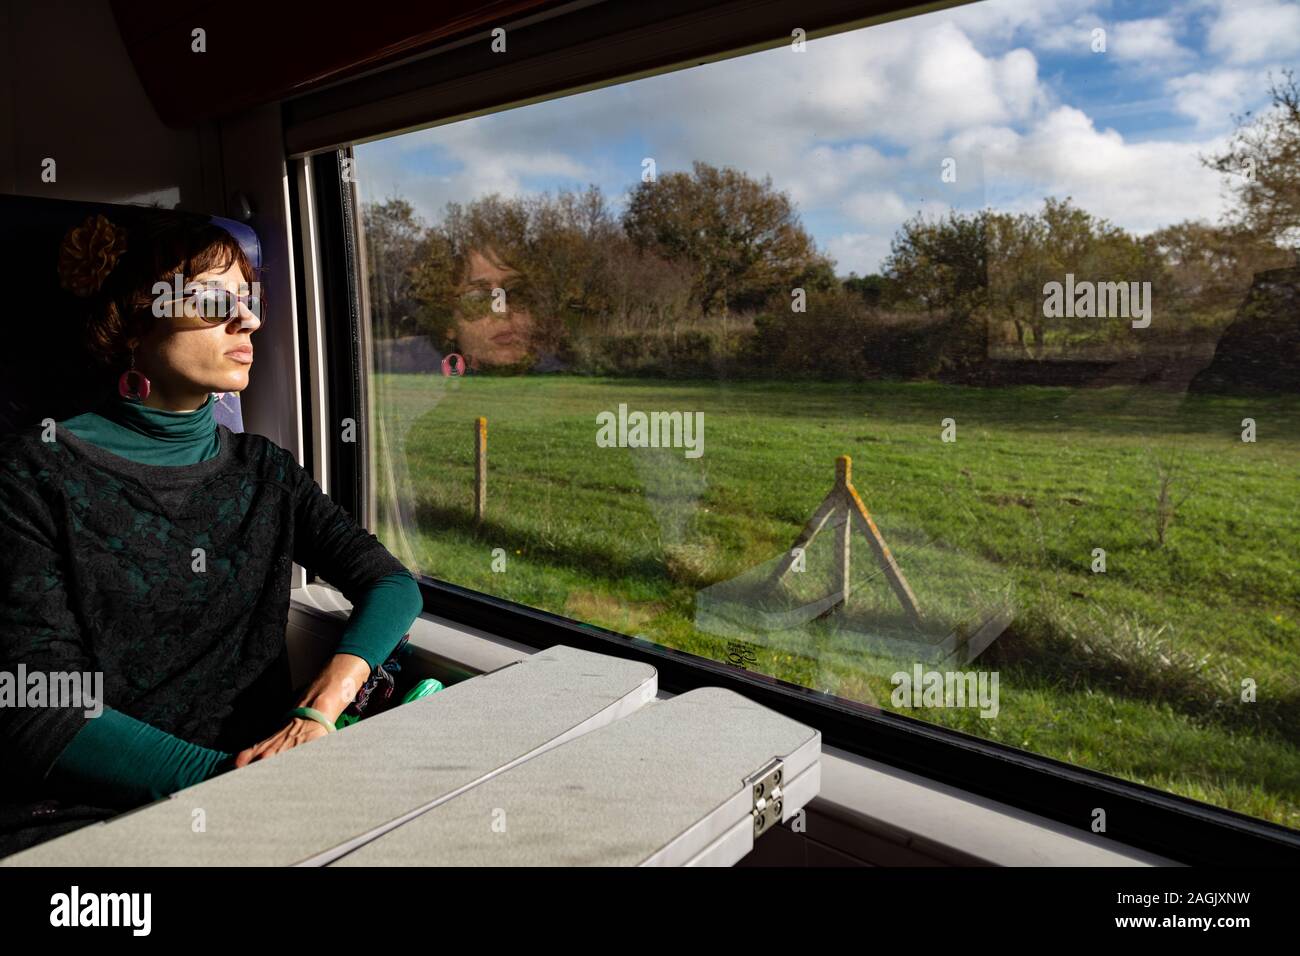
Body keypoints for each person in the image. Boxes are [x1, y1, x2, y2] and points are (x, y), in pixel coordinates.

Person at [0, 211, 424, 858]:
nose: (248, 321)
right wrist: (229, 781)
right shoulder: (33, 473)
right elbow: (41, 711)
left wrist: (323, 704)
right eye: (210, 300)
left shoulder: (267, 471)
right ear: (133, 321)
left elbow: (391, 584)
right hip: (93, 814)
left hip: (263, 786)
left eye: (249, 303)